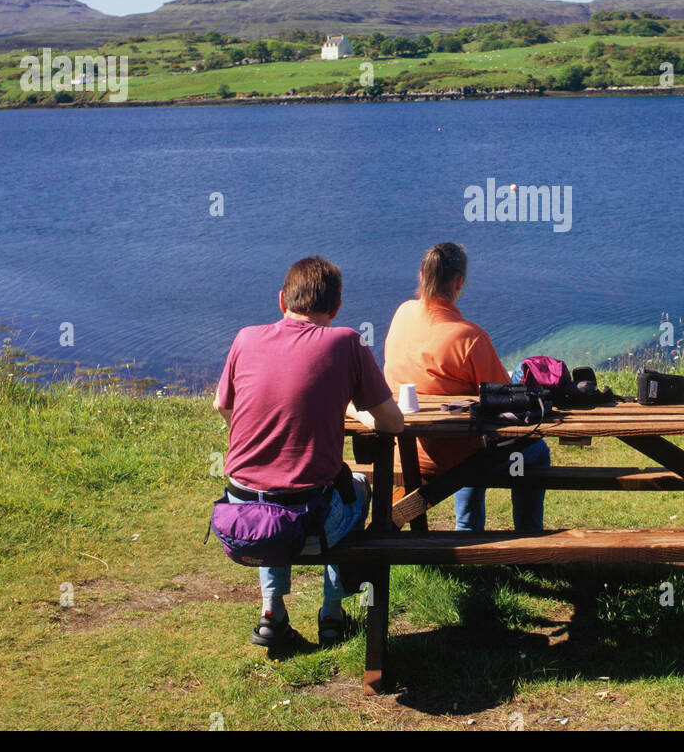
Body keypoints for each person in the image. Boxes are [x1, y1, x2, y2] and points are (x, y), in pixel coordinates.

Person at [214, 256, 403, 649]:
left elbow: (223, 406)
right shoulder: (346, 341)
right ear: (336, 308)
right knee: (356, 486)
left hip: (240, 514)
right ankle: (332, 613)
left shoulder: (245, 338)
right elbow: (393, 423)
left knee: (273, 493)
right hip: (310, 527)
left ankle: (272, 612)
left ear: (282, 301)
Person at [383, 241, 549, 532]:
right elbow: (506, 401)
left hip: (403, 447)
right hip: (453, 458)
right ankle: (527, 534)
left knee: (466, 434)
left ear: (422, 277)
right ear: (459, 281)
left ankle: (469, 528)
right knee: (534, 451)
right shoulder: (470, 338)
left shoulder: (402, 314)